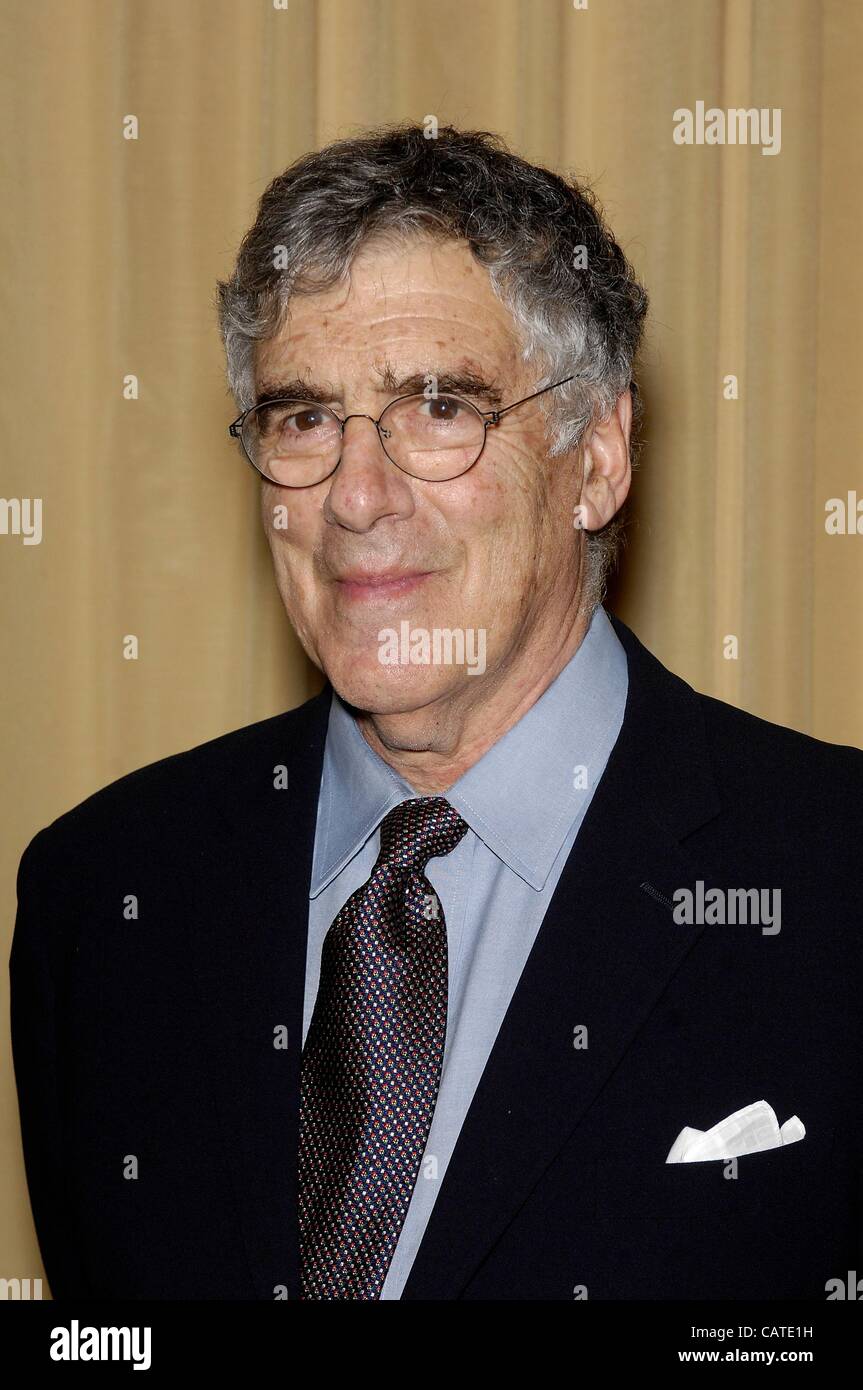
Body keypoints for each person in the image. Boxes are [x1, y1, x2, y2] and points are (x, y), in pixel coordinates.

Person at [10, 124, 862, 1301]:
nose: (356, 497)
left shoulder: (834, 882)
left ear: (598, 455)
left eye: (436, 406)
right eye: (303, 418)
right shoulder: (103, 897)